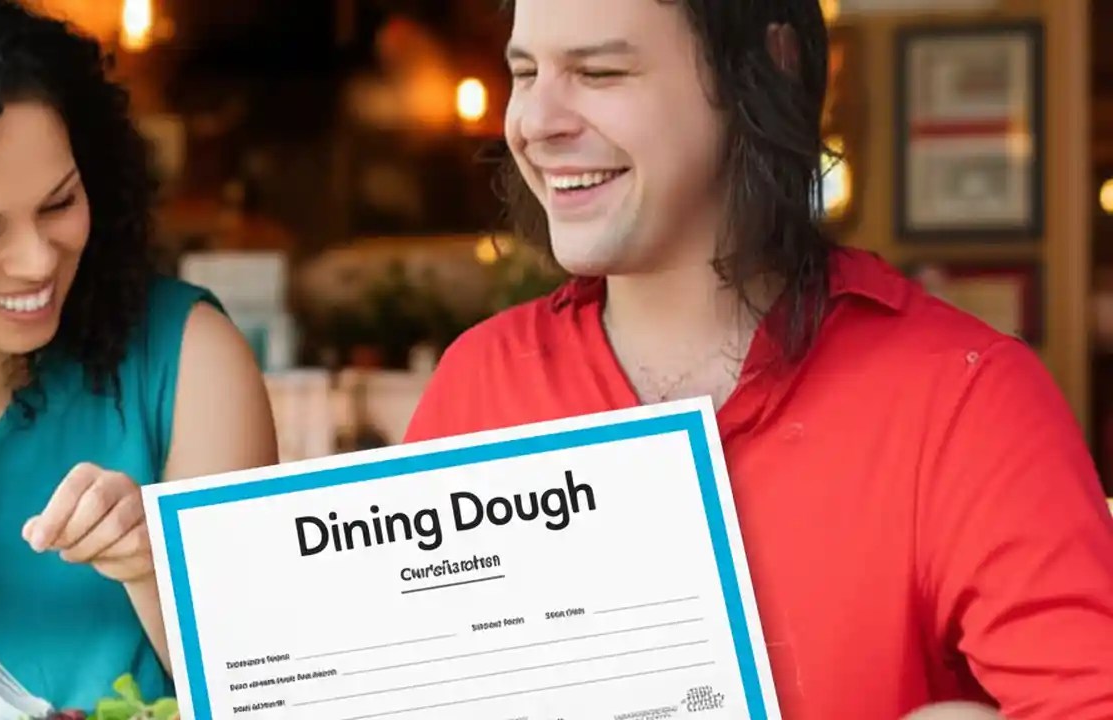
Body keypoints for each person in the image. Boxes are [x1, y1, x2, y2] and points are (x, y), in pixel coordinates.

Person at [404, 0, 1113, 718]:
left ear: (768, 68)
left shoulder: (964, 400)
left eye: (600, 72)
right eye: (525, 74)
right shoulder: (478, 386)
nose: (536, 122)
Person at [0, 0, 277, 708]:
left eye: (59, 203)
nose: (38, 260)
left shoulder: (187, 358)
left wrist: (156, 570)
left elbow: (270, 688)